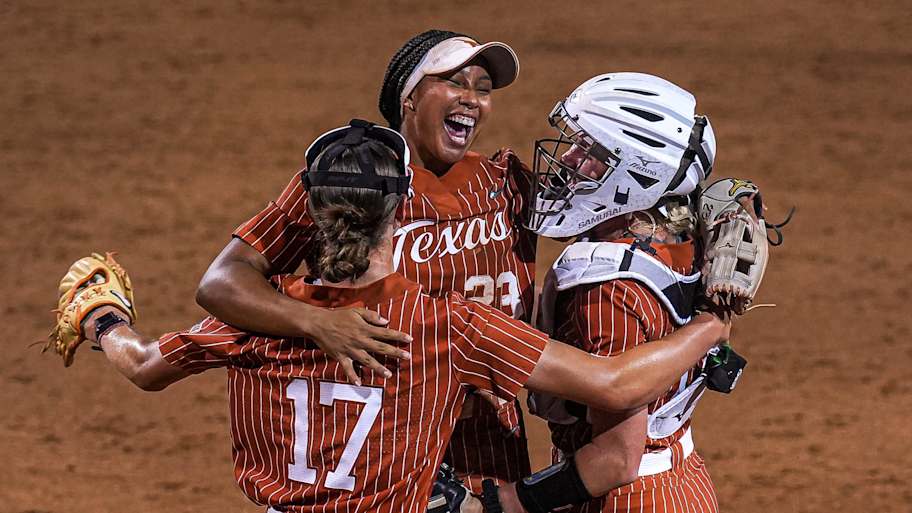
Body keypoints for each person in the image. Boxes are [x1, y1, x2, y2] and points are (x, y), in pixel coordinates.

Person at [59, 122, 731, 512]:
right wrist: (714, 320)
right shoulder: (447, 325)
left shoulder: (258, 317)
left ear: (308, 206)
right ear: (403, 204)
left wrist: (104, 321)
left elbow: (143, 366)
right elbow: (616, 384)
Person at [193, 30, 541, 490]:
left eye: (483, 88)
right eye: (455, 82)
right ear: (409, 98)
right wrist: (315, 322)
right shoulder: (351, 183)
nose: (472, 99)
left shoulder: (507, 182)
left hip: (487, 444)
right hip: (385, 443)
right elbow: (221, 281)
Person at [526, 73, 722, 513]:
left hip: (621, 496)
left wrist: (507, 502)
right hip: (682, 478)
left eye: (590, 151)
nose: (568, 158)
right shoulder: (689, 239)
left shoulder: (606, 285)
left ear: (636, 174)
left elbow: (615, 458)